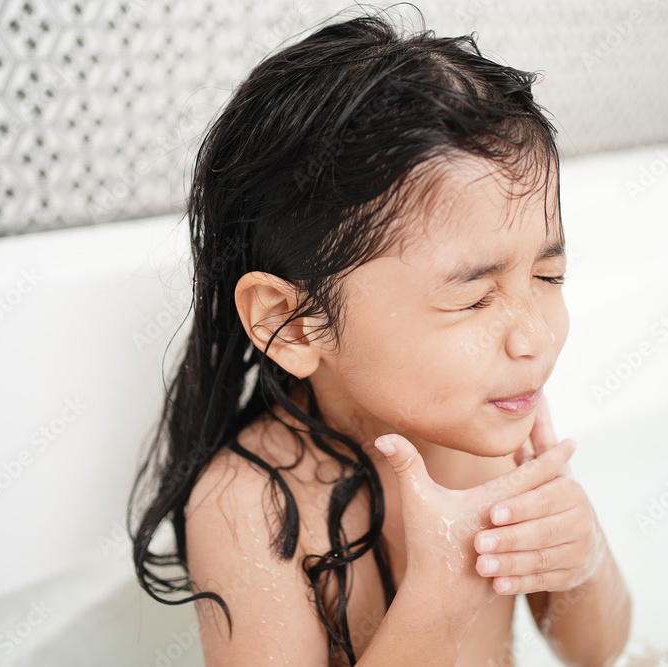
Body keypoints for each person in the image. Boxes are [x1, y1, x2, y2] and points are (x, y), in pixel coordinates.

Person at [128, 5, 631, 665]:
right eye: (476, 297)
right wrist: (440, 591)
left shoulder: (490, 431)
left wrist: (583, 552)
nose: (533, 336)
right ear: (292, 321)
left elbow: (594, 652)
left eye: (549, 275)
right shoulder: (251, 503)